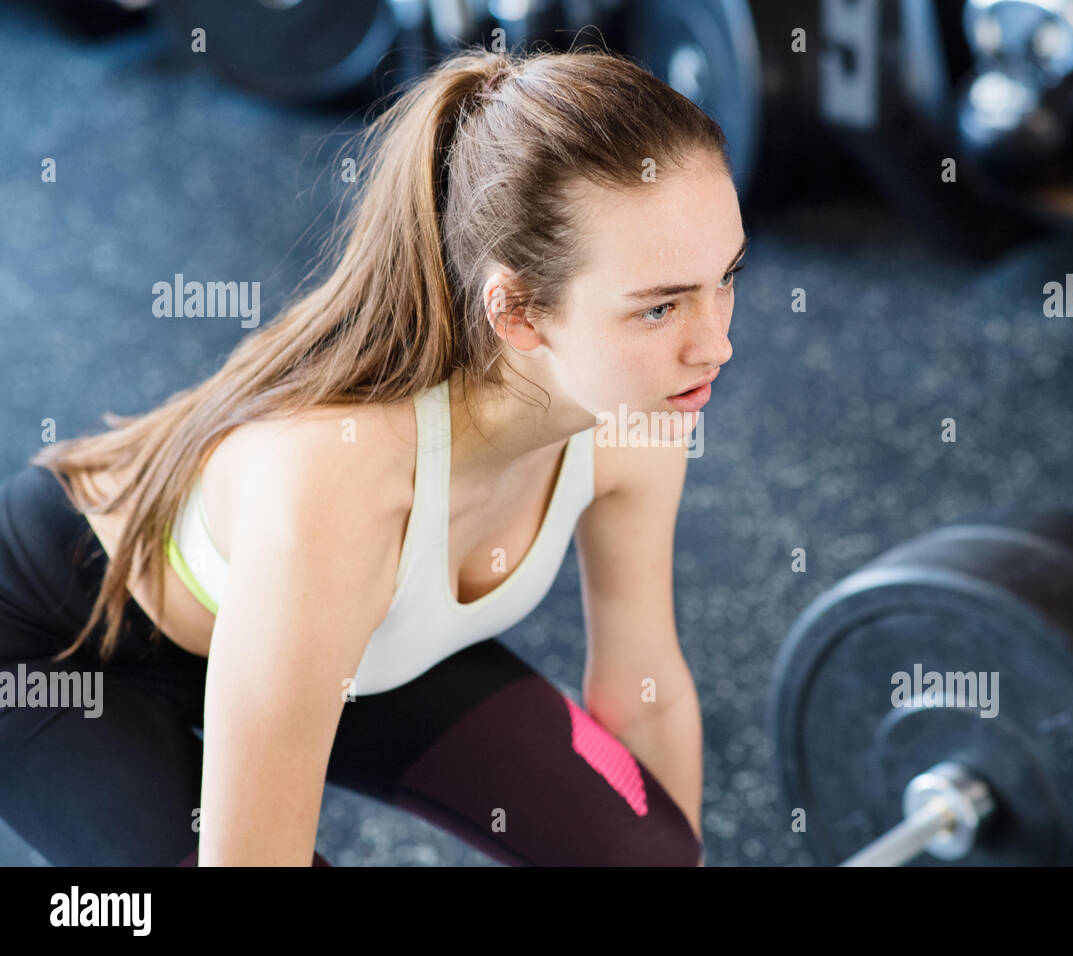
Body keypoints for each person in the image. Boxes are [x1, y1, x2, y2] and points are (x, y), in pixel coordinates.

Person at [0, 45, 745, 866]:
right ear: (520, 313)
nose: (715, 344)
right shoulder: (336, 486)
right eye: (660, 308)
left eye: (726, 278)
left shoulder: (639, 414)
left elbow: (644, 692)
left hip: (346, 641)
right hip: (59, 640)